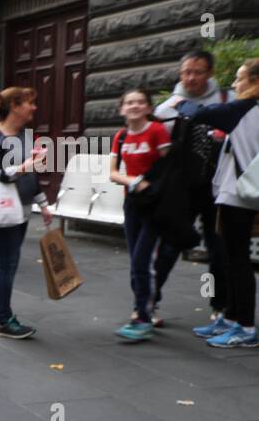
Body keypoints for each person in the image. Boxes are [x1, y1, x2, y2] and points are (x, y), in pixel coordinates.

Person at [173, 58, 259, 347]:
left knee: (237, 261)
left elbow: (197, 112)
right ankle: (233, 318)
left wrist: (179, 101)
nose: (234, 85)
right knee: (231, 259)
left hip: (239, 195)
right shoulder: (247, 110)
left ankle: (245, 327)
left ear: (254, 82)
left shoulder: (244, 108)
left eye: (239, 78)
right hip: (235, 193)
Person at [156, 50, 233, 328]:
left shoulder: (227, 100)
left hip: (217, 189)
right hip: (182, 189)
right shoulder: (169, 106)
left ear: (210, 73)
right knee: (170, 244)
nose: (191, 77)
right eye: (186, 72)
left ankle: (219, 305)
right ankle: (150, 301)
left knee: (218, 249)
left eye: (197, 72)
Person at [0, 87, 54, 339]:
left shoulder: (24, 136)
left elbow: (31, 174)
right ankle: (3, 319)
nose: (34, 107)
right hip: (1, 212)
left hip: (20, 210)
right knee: (7, 264)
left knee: (2, 262)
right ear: (15, 107)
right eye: (30, 103)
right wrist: (18, 169)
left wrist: (41, 202)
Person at [109, 89, 173, 341]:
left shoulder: (156, 131)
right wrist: (135, 182)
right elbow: (113, 174)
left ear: (148, 108)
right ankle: (142, 307)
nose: (134, 106)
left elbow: (171, 168)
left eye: (140, 102)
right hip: (133, 203)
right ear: (122, 109)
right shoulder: (121, 136)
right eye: (129, 102)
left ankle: (143, 317)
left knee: (142, 259)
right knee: (137, 260)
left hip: (155, 206)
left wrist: (155, 188)